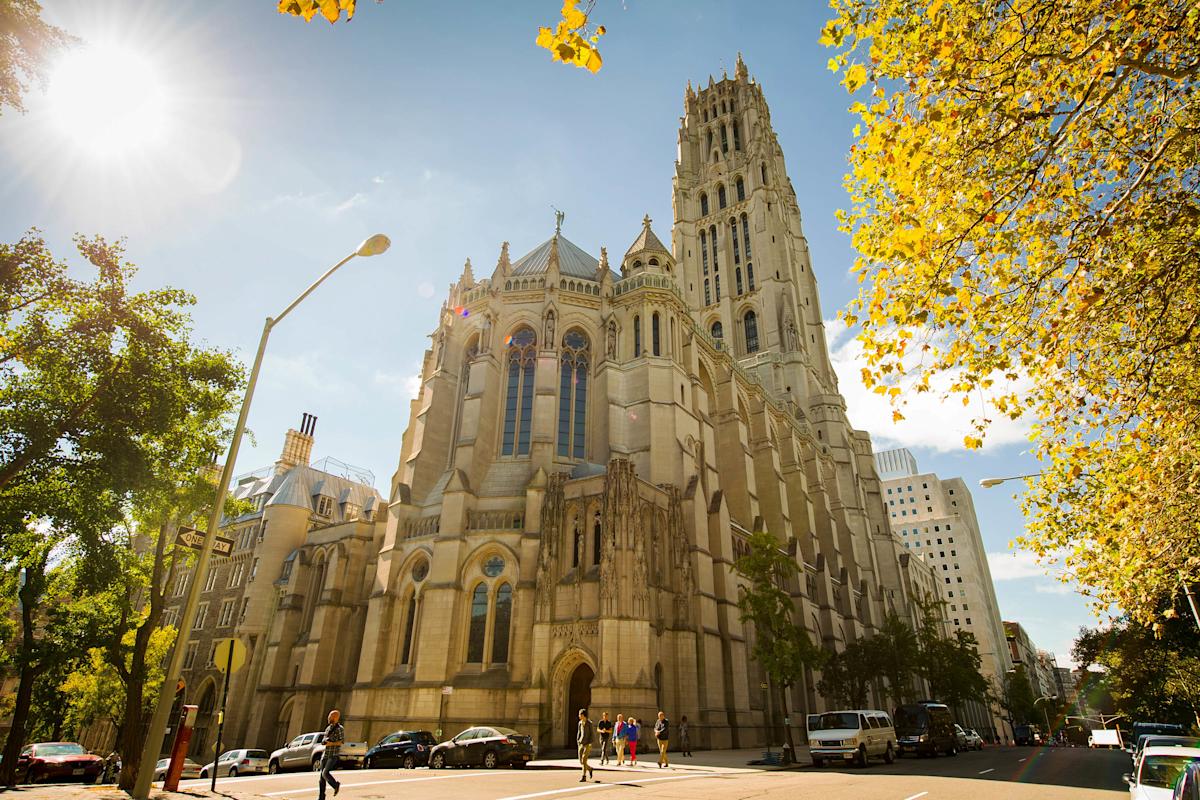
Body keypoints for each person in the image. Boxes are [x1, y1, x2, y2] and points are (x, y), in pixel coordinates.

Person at [318, 709, 344, 799]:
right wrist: (324, 742)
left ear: (335, 717)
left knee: (325, 773)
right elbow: (323, 741)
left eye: (330, 716)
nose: (328, 718)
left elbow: (341, 742)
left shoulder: (340, 729)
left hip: (333, 755)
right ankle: (321, 797)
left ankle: (335, 785)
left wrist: (331, 743)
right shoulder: (328, 728)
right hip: (325, 754)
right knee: (321, 778)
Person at [577, 708, 595, 782]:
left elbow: (592, 734)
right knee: (581, 761)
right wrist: (578, 741)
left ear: (583, 715)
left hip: (587, 744)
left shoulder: (589, 723)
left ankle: (583, 776)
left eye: (579, 714)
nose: (579, 716)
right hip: (581, 743)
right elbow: (579, 733)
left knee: (584, 760)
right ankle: (590, 769)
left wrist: (590, 743)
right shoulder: (580, 723)